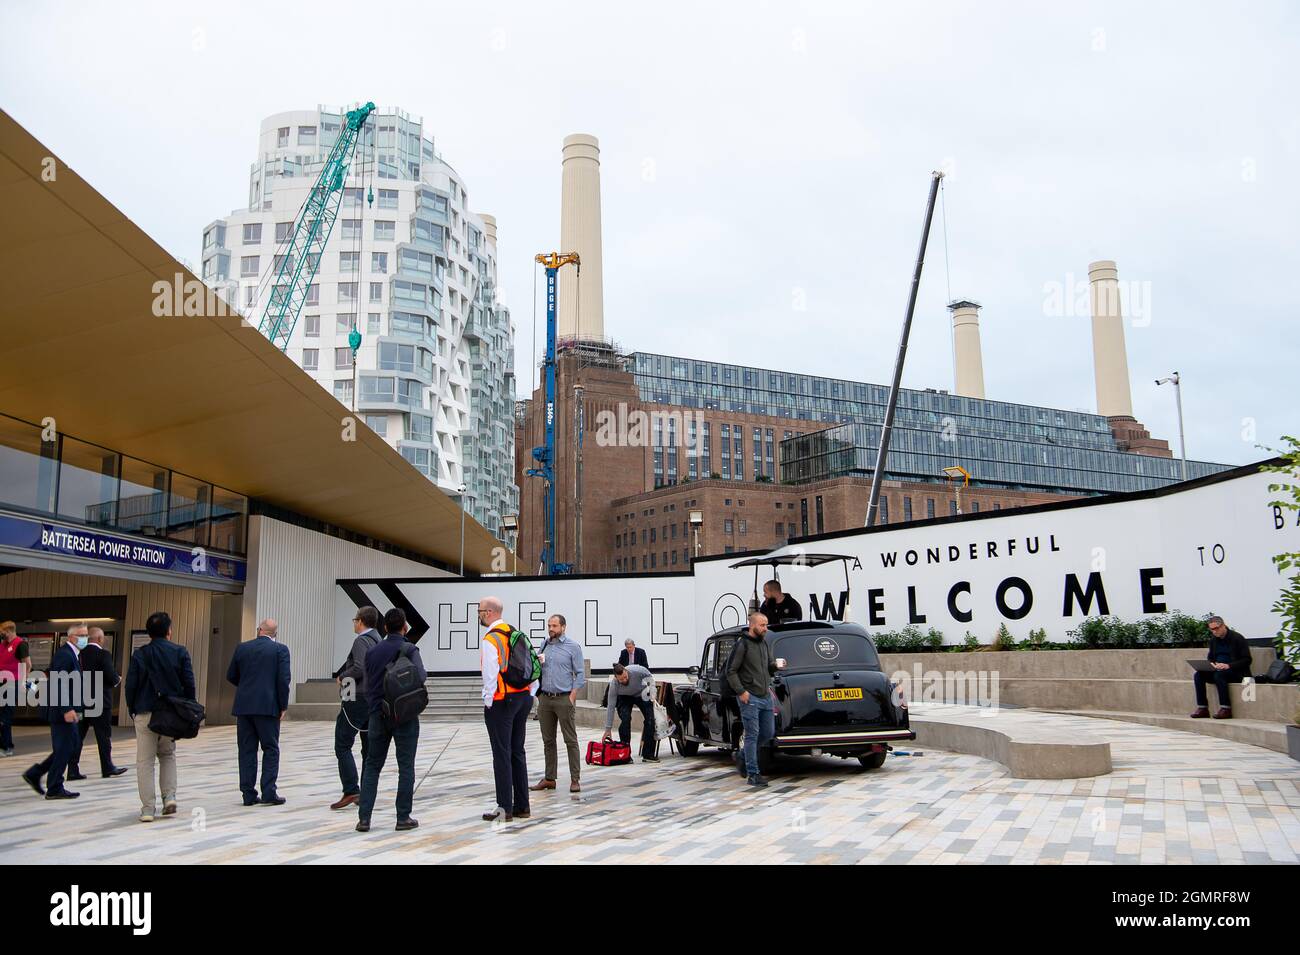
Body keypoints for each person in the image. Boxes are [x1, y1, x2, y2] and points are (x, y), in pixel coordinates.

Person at [356, 608, 425, 833]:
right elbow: (421, 676)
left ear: (385, 627)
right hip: (405, 716)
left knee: (372, 765)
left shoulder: (373, 651)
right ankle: (402, 817)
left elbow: (366, 684)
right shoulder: (409, 649)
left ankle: (364, 819)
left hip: (377, 714)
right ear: (404, 626)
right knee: (406, 767)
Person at [124, 611, 196, 823]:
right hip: (171, 714)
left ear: (149, 633)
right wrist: (188, 709)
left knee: (144, 761)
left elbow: (131, 685)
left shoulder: (140, 654)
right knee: (167, 754)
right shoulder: (180, 652)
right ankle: (169, 797)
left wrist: (133, 708)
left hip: (145, 712)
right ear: (168, 631)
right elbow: (189, 683)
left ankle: (147, 808)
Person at [479, 596, 536, 822]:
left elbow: (490, 673)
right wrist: (530, 691)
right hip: (522, 697)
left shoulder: (491, 638)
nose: (479, 615)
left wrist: (488, 700)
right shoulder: (515, 633)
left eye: (480, 611)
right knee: (517, 751)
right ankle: (522, 805)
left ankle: (504, 808)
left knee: (501, 754)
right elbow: (532, 663)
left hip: (502, 700)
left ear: (490, 612)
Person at [226, 618, 291, 806]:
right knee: (270, 748)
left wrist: (246, 687)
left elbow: (231, 675)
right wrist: (282, 705)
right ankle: (269, 791)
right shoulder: (280, 650)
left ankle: (248, 794)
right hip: (268, 706)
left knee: (246, 749)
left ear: (259, 630)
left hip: (244, 707)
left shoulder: (242, 648)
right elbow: (283, 680)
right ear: (275, 634)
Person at [22, 624, 85, 800]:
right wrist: (67, 709)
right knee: (66, 747)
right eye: (82, 635)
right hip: (61, 710)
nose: (84, 638)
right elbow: (59, 682)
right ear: (71, 637)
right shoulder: (65, 655)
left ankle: (36, 773)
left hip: (66, 708)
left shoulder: (71, 654)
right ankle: (54, 786)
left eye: (86, 634)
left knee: (69, 745)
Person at [330, 606, 382, 810]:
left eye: (354, 620)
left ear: (360, 621)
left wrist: (343, 676)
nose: (353, 623)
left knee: (342, 743)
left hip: (356, 697)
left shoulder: (361, 640)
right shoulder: (379, 639)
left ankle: (351, 789)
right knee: (368, 747)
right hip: (374, 697)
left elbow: (360, 667)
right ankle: (366, 791)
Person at [530, 614, 586, 794]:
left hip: (564, 698)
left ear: (563, 627)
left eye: (554, 626)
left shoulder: (573, 647)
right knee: (548, 741)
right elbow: (538, 669)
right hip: (545, 699)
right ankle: (549, 778)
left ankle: (575, 779)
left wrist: (572, 696)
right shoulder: (545, 645)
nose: (551, 629)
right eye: (549, 625)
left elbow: (580, 675)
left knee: (570, 740)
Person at [67, 627, 128, 779]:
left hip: (81, 701)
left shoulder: (78, 655)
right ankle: (107, 767)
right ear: (100, 639)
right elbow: (110, 674)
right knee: (103, 736)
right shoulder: (103, 654)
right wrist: (117, 679)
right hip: (100, 702)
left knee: (78, 736)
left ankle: (72, 770)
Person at [728, 612, 777, 788]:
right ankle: (753, 773)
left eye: (766, 625)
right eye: (762, 625)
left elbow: (768, 668)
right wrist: (741, 691)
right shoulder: (742, 644)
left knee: (768, 733)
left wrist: (775, 666)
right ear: (752, 625)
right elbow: (731, 671)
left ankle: (742, 756)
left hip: (765, 696)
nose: (765, 628)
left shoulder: (763, 643)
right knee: (752, 734)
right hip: (750, 697)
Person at [1190, 615, 1253, 719]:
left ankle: (1226, 709)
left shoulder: (1237, 638)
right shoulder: (1213, 641)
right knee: (1199, 675)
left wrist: (1228, 665)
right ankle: (1203, 708)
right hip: (1218, 670)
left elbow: (1247, 660)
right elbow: (1210, 658)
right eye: (1212, 629)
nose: (1214, 631)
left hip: (1237, 672)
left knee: (1219, 675)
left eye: (1216, 628)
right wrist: (1212, 664)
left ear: (1223, 626)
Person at [602, 661, 658, 763]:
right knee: (625, 719)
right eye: (621, 679)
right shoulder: (614, 685)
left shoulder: (637, 671)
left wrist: (652, 693)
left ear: (626, 671)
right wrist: (608, 729)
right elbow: (610, 707)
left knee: (650, 719)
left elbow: (650, 678)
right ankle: (625, 754)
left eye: (625, 677)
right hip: (624, 697)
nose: (624, 680)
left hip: (641, 693)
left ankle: (648, 754)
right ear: (616, 678)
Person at [1, 621, 31, 757]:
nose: (1, 633)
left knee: (5, 716)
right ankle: (5, 744)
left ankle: (7, 746)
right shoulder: (3, 645)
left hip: (12, 683)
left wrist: (24, 682)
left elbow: (27, 664)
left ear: (9, 630)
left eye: (2, 631)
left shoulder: (20, 644)